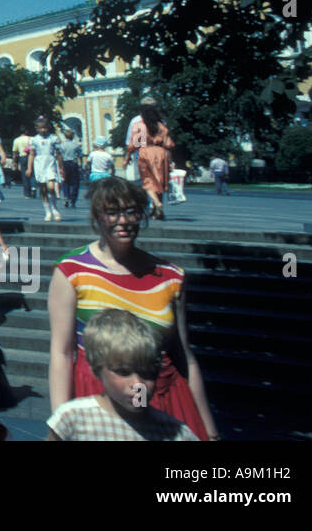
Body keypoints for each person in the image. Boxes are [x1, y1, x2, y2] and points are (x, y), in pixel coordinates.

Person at [47, 177, 219, 441]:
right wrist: (60, 422)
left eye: (131, 211)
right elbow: (61, 353)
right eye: (112, 212)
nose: (123, 221)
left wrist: (209, 429)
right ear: (96, 217)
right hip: (98, 396)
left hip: (165, 398)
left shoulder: (170, 276)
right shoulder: (72, 271)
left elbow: (185, 357)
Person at [46, 309, 198, 441]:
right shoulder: (72, 419)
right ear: (97, 369)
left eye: (147, 373)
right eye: (124, 372)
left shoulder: (175, 433)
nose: (138, 384)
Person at [131, 103, 175, 220]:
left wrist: (128, 155)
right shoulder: (162, 126)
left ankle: (156, 203)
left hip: (145, 153)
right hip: (161, 154)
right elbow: (169, 144)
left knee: (147, 182)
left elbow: (134, 144)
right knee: (159, 182)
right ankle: (158, 212)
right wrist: (171, 161)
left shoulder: (139, 125)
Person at [27, 116, 66, 221]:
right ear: (37, 128)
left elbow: (58, 154)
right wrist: (29, 168)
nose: (43, 130)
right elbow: (31, 154)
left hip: (50, 163)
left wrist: (61, 167)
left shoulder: (53, 138)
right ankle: (47, 212)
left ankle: (54, 209)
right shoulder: (34, 139)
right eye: (40, 128)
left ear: (48, 127)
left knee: (51, 187)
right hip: (39, 164)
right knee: (43, 189)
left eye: (45, 128)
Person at [125, 96, 159, 182]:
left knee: (145, 180)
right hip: (159, 153)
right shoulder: (161, 121)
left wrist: (127, 156)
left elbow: (132, 143)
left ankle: (149, 194)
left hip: (142, 152)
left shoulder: (136, 121)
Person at [59, 125, 84, 209]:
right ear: (73, 136)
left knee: (65, 181)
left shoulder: (61, 146)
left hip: (65, 164)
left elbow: (60, 156)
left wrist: (60, 166)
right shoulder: (76, 146)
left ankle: (66, 196)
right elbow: (80, 155)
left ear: (65, 136)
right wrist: (81, 164)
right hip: (73, 163)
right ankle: (73, 199)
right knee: (75, 183)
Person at [12, 126, 34, 197]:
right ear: (26, 131)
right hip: (31, 156)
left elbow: (15, 152)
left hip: (22, 157)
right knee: (32, 173)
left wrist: (14, 162)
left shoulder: (16, 140)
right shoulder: (31, 139)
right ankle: (33, 187)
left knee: (25, 175)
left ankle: (27, 193)